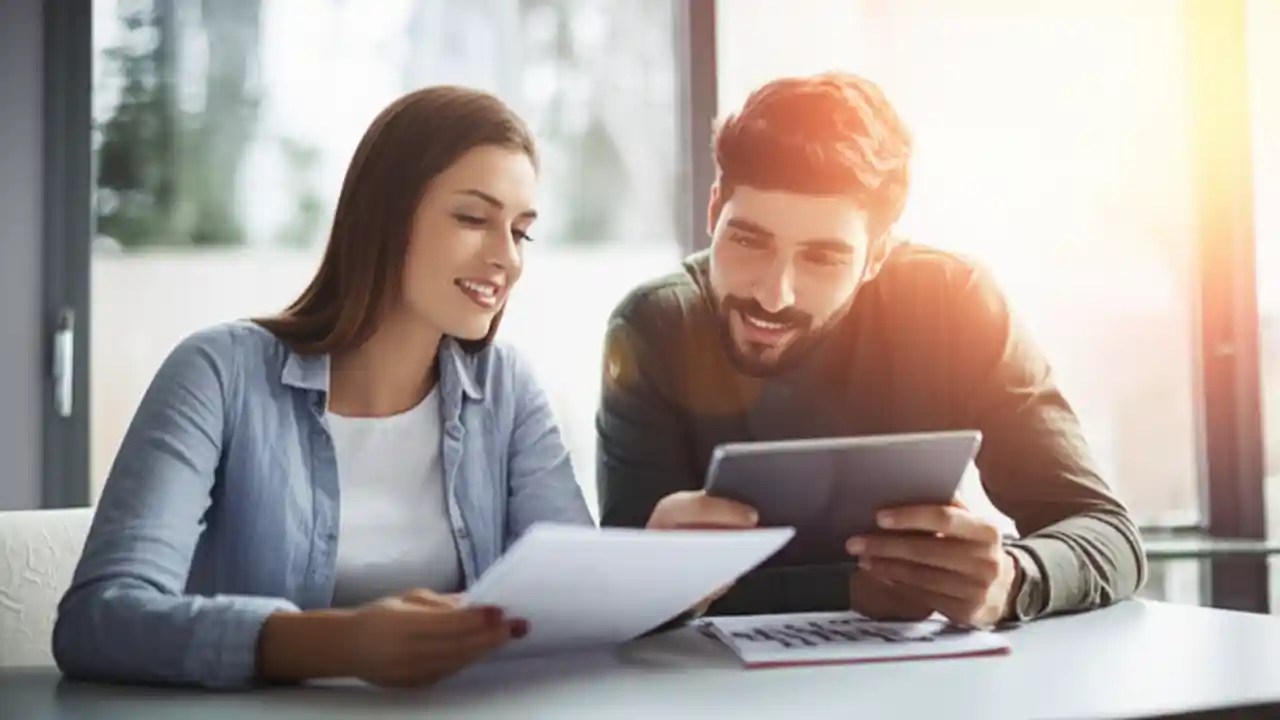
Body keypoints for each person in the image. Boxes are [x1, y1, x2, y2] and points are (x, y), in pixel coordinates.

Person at [53, 86, 592, 689]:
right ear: (385, 217)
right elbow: (98, 620)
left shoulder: (507, 388)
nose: (507, 259)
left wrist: (675, 573)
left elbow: (579, 599)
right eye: (472, 218)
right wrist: (342, 643)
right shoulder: (218, 373)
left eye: (520, 232)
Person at [598, 72, 1147, 628]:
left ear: (876, 256)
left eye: (823, 257)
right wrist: (648, 580)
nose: (773, 293)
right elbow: (622, 603)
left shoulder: (953, 304)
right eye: (747, 240)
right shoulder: (656, 326)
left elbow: (1108, 534)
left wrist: (1014, 578)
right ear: (715, 213)